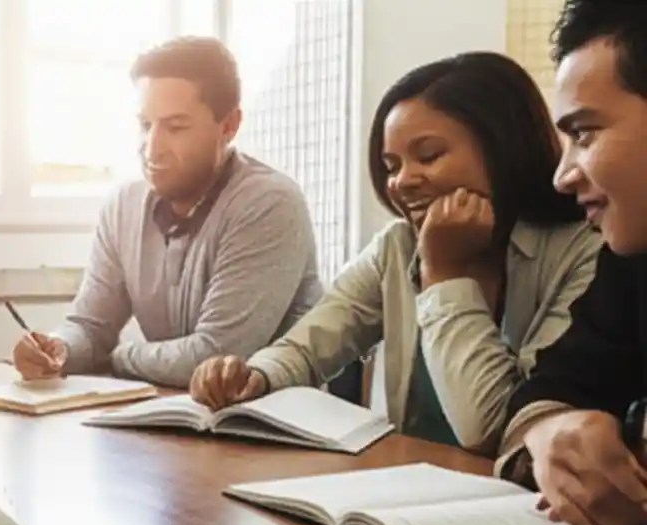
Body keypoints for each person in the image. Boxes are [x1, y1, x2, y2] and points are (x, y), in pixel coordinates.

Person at [190, 52, 600, 456]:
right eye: (391, 166)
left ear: (502, 147)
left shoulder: (584, 252)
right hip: (408, 491)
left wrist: (445, 273)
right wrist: (255, 375)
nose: (402, 182)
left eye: (429, 156)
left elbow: (491, 427)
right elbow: (307, 346)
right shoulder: (398, 246)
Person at [10, 36, 322, 389]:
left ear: (229, 126)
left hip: (269, 429)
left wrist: (119, 356)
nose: (152, 148)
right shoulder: (124, 206)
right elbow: (91, 326)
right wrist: (59, 348)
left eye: (175, 127)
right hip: (172, 419)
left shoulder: (269, 203)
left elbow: (215, 357)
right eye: (145, 124)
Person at [498, 0, 647, 525]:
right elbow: (555, 386)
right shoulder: (630, 263)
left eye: (584, 135)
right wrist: (551, 431)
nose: (563, 175)